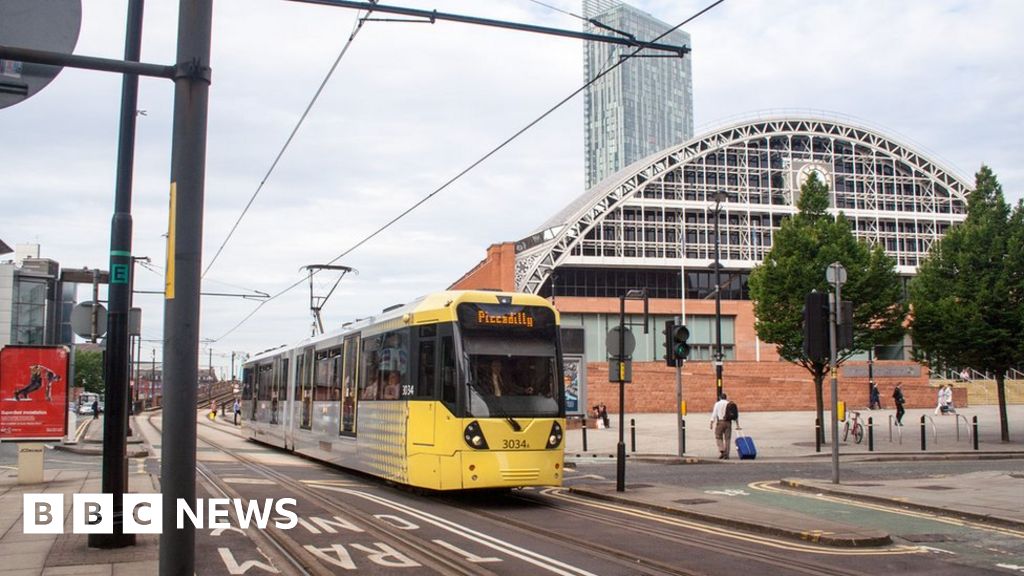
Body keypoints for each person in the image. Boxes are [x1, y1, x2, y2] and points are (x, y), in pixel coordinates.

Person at [710, 393, 737, 459]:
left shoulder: (717, 404)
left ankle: (722, 450)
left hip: (720, 422)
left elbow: (714, 413)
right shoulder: (729, 404)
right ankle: (727, 454)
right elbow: (734, 414)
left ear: (720, 397)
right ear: (726, 398)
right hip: (728, 422)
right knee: (727, 439)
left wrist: (711, 422)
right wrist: (737, 424)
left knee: (718, 436)